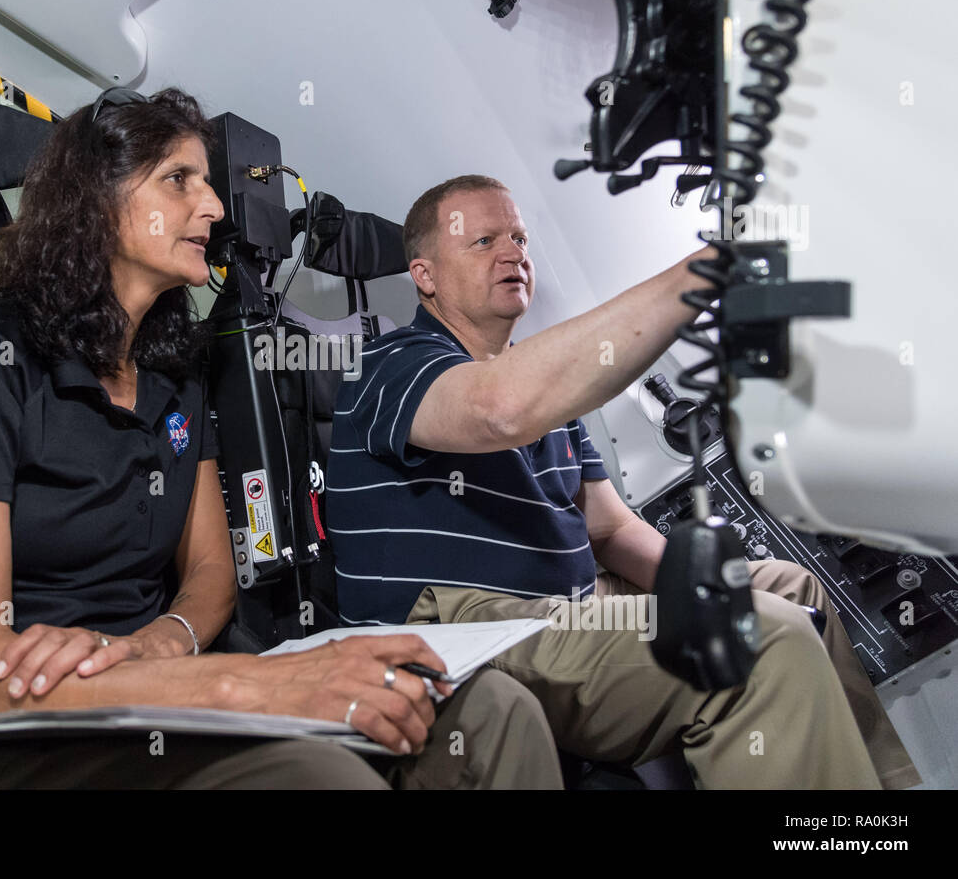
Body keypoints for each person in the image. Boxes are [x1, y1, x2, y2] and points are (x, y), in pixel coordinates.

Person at [0, 94, 562, 789]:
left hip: (149, 681)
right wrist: (243, 684)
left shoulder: (172, 378)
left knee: (493, 713)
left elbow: (211, 574)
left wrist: (159, 642)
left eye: (207, 181)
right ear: (95, 199)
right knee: (317, 778)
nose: (215, 206)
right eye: (178, 179)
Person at [326, 174, 922, 789]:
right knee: (766, 639)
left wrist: (707, 587)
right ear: (425, 276)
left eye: (520, 237)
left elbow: (607, 527)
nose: (514, 253)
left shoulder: (545, 389)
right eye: (482, 241)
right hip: (468, 623)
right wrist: (711, 271)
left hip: (576, 605)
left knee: (790, 589)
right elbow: (496, 410)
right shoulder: (392, 364)